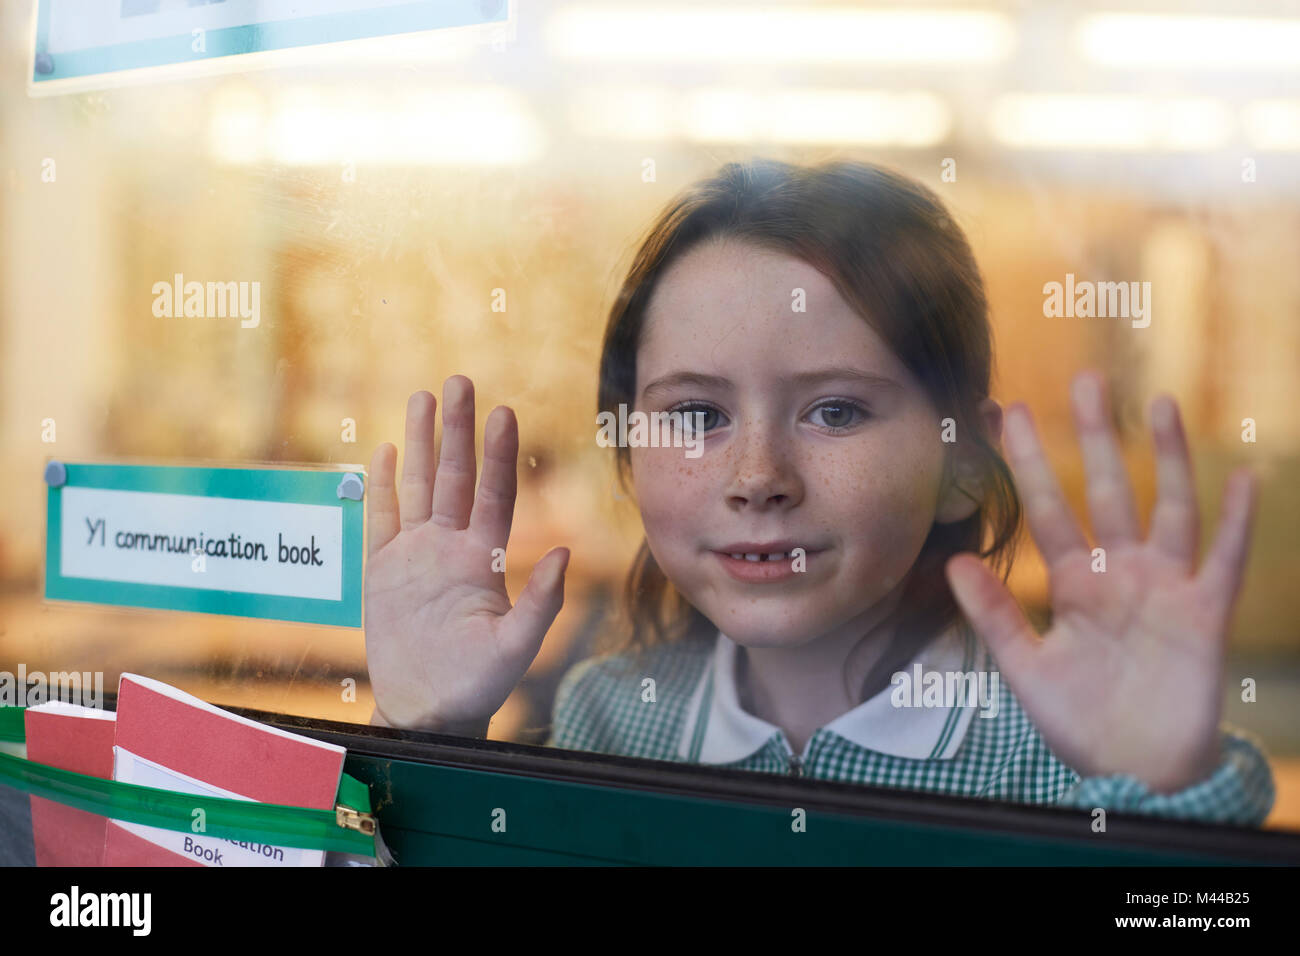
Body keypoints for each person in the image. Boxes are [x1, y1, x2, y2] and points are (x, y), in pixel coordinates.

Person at [362, 158, 1273, 825]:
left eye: (836, 412)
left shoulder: (1068, 738)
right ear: (630, 460)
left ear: (965, 463)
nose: (759, 477)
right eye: (695, 416)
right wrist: (428, 738)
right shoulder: (609, 714)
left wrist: (1163, 797)